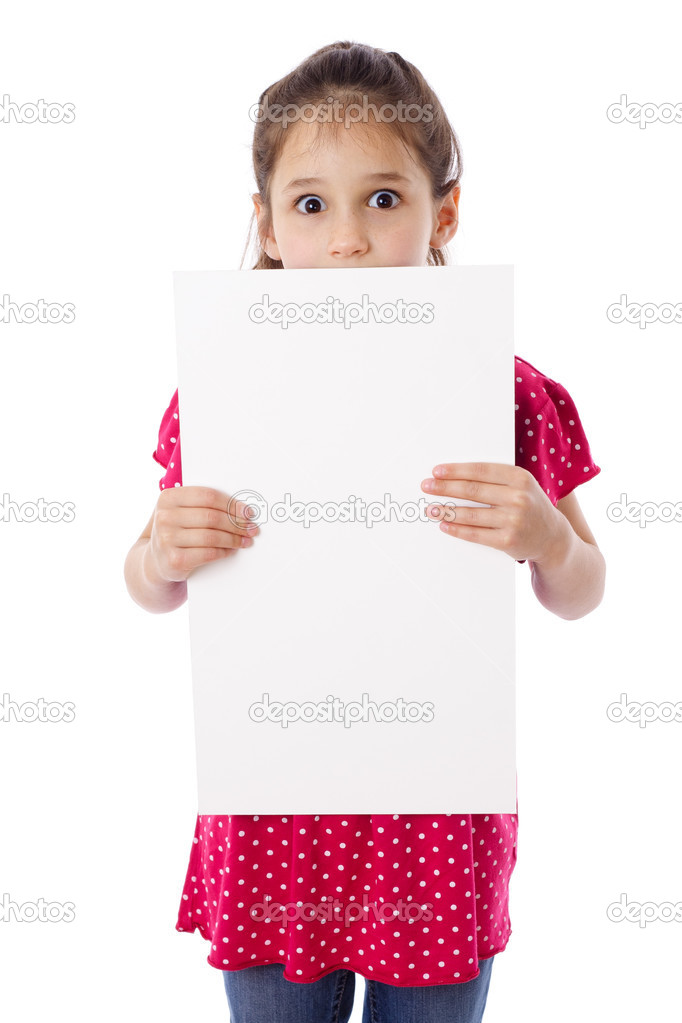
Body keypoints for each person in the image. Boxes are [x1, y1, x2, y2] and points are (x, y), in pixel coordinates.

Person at [124, 40, 606, 1023]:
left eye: (383, 199)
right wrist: (159, 553)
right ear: (267, 225)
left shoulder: (506, 393)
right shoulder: (224, 391)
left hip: (434, 815)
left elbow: (582, 588)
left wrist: (549, 541)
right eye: (311, 204)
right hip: (273, 811)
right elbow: (148, 580)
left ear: (443, 213)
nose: (346, 238)